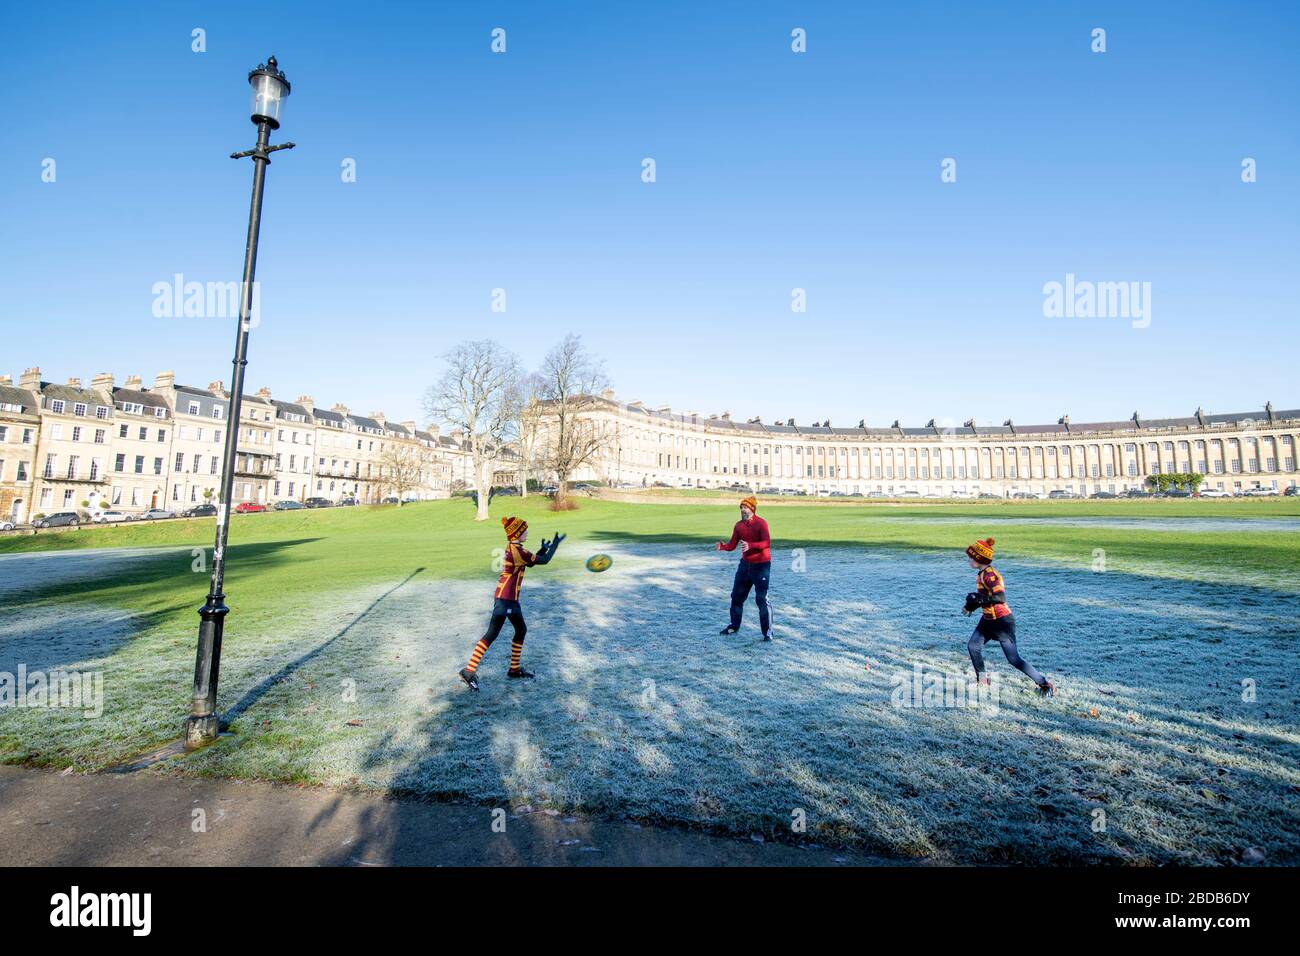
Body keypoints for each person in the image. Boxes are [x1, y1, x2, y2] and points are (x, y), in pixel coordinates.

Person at [459, 516, 565, 691]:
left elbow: (531, 562)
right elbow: (543, 561)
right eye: (525, 530)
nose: (527, 533)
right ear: (518, 533)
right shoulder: (518, 551)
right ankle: (468, 672)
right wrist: (555, 545)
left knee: (521, 630)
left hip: (510, 599)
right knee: (491, 634)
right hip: (505, 599)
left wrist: (542, 549)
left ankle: (514, 669)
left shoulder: (515, 548)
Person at [961, 537, 1054, 696]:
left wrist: (979, 599)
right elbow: (984, 598)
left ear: (979, 558)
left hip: (1002, 622)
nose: (968, 560)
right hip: (988, 619)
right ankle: (983, 681)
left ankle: (1045, 684)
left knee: (1014, 659)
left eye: (971, 557)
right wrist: (971, 606)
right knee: (973, 646)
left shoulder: (990, 575)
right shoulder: (981, 574)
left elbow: (1000, 597)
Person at [716, 495, 773, 640]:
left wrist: (751, 545)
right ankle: (733, 627)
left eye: (745, 507)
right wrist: (723, 547)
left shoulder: (761, 523)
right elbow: (732, 545)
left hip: (761, 566)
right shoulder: (739, 526)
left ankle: (767, 633)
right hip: (745, 566)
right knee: (736, 597)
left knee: (761, 599)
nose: (742, 510)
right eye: (741, 507)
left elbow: (766, 542)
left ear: (752, 509)